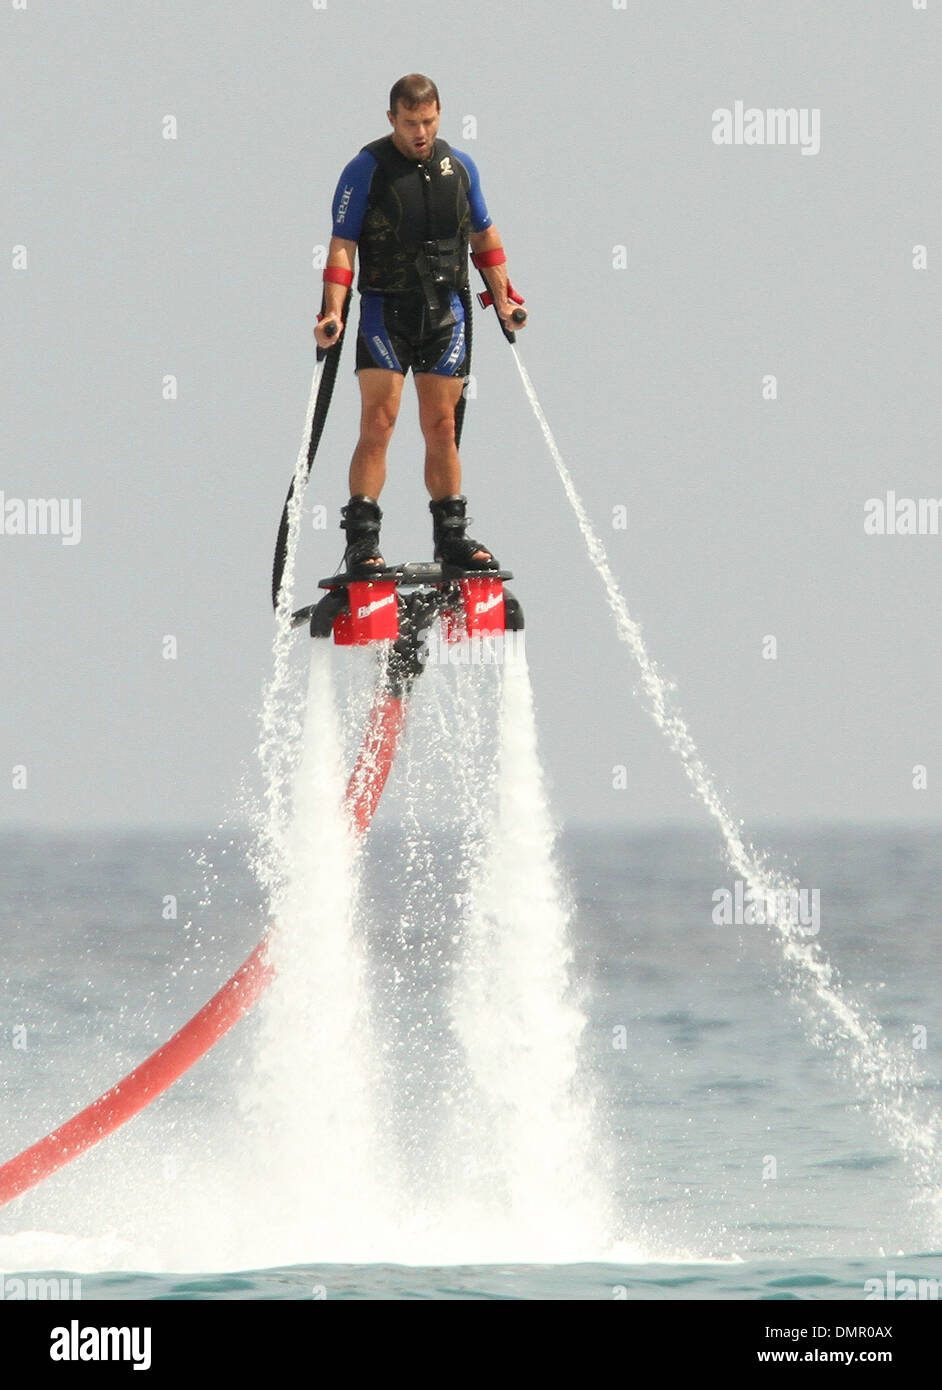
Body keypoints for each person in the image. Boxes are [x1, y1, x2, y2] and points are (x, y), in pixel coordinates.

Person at [313, 73, 526, 576]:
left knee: (442, 425)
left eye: (428, 121)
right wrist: (332, 312)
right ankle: (363, 542)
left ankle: (451, 536)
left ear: (439, 114)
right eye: (410, 123)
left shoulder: (461, 167)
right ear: (392, 120)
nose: (421, 132)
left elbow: (484, 234)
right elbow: (343, 245)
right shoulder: (365, 169)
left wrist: (504, 298)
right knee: (379, 423)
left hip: (445, 314)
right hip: (387, 315)